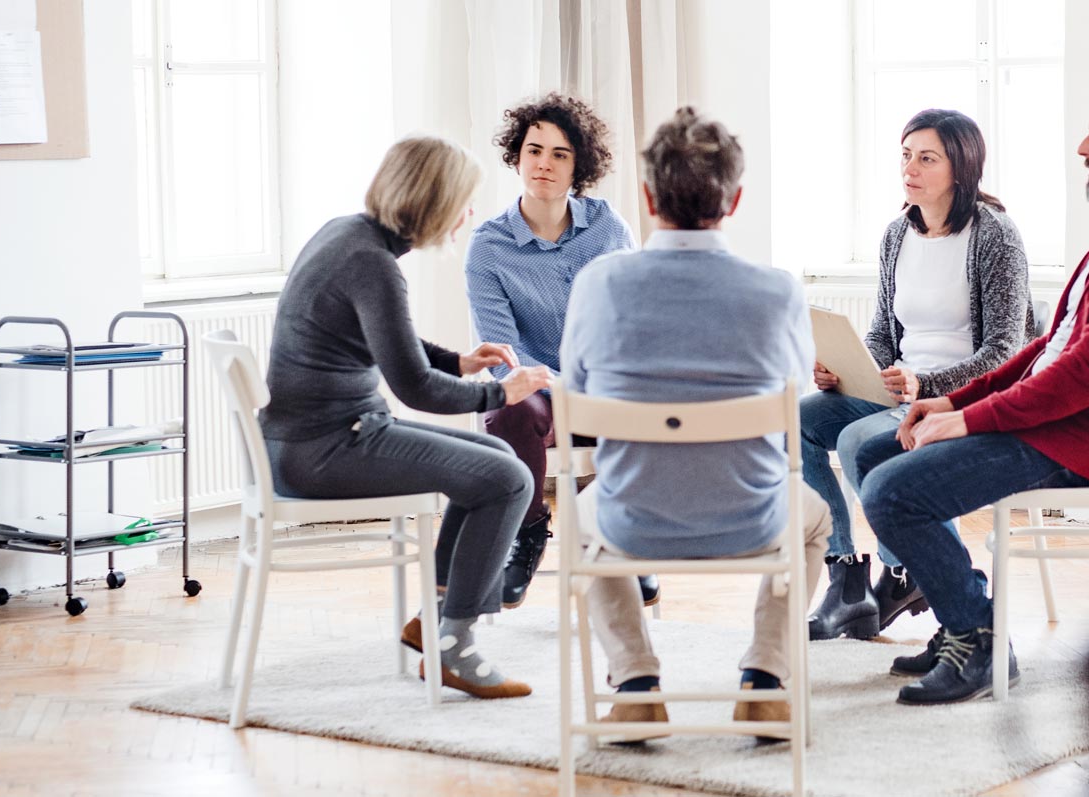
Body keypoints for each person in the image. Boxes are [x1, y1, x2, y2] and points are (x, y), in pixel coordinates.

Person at [854, 77, 1089, 705]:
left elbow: (1088, 375)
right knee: (876, 454)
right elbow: (1049, 347)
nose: (1082, 147)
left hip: (1078, 442)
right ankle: (962, 611)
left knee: (890, 491)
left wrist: (972, 421)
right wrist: (956, 401)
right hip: (1053, 422)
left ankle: (977, 640)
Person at [558, 107, 833, 738]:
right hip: (752, 518)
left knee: (574, 516)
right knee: (817, 520)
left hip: (633, 519)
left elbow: (575, 397)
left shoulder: (598, 283)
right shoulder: (778, 291)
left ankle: (635, 681)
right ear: (734, 201)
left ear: (649, 197)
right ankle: (765, 678)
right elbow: (788, 409)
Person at [261, 135, 554, 699]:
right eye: (463, 201)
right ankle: (456, 647)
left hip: (314, 439)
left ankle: (439, 617)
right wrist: (502, 395)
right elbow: (414, 387)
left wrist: (461, 362)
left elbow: (387, 340)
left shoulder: (348, 235)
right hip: (326, 450)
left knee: (498, 459)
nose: (469, 215)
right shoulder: (372, 263)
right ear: (434, 200)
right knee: (510, 478)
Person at [800, 109, 1033, 641]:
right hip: (899, 390)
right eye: (906, 155)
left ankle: (906, 571)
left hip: (958, 397)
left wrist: (926, 386)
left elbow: (1005, 352)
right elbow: (885, 333)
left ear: (962, 167)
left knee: (860, 440)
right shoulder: (895, 235)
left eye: (927, 158)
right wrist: (847, 369)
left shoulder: (995, 236)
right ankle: (848, 578)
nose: (911, 168)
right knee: (797, 421)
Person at [464, 92, 655, 610]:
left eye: (560, 154)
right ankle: (528, 534)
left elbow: (630, 327)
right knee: (506, 404)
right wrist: (552, 382)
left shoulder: (608, 229)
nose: (544, 164)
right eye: (534, 150)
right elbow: (502, 352)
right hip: (538, 391)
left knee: (642, 397)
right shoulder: (488, 247)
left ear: (579, 167)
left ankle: (626, 539)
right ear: (517, 156)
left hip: (603, 387)